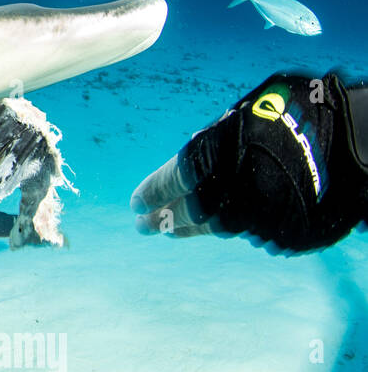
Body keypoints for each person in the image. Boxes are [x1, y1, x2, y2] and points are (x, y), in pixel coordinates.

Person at [131, 70, 368, 253]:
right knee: (203, 212)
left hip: (281, 125)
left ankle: (152, 208)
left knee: (166, 194)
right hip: (278, 199)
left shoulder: (310, 90)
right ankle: (158, 218)